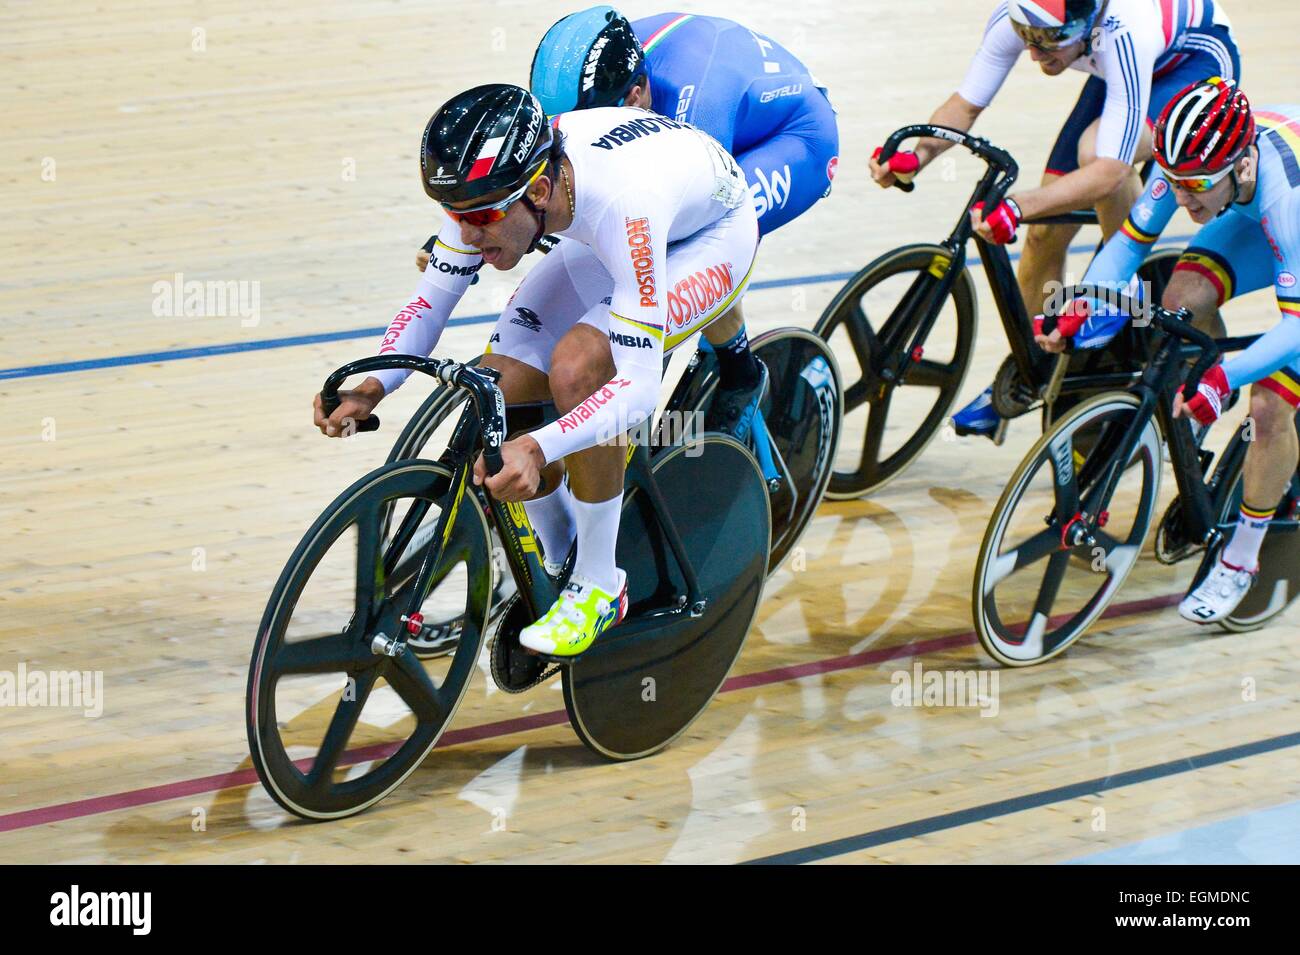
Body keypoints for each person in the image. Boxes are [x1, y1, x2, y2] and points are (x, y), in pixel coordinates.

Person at [314, 84, 758, 656]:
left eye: (481, 220)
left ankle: (600, 585)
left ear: (539, 190)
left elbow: (638, 388)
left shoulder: (623, 205)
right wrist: (375, 385)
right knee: (498, 384)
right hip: (604, 230)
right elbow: (431, 301)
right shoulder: (487, 189)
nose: (467, 236)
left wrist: (540, 448)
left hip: (706, 237)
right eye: (453, 216)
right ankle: (559, 556)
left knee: (577, 368)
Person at [415, 6, 839, 440]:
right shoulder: (584, 81)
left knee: (679, 249)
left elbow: (696, 227)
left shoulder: (697, 103)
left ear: (636, 97)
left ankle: (739, 370)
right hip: (724, 104)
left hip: (793, 139)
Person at [870, 0, 1240, 438]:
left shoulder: (1124, 29)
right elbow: (966, 106)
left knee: (1093, 151)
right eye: (1028, 37)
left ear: (1087, 24)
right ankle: (1035, 371)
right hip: (1115, 72)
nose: (1034, 52)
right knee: (1044, 234)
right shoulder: (1023, 17)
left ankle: (1119, 284)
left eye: (1048, 40)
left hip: (1189, 64)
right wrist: (919, 154)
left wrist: (1017, 205)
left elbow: (1111, 170)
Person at [1033, 78, 1300, 623]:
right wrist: (1083, 303)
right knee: (1180, 300)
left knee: (1271, 407)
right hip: (1251, 216)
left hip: (1290, 225)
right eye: (1174, 181)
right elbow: (1131, 242)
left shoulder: (1284, 196)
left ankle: (1241, 559)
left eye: (1196, 185)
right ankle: (1196, 419)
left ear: (1242, 166)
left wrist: (1227, 376)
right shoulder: (1189, 159)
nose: (1181, 198)